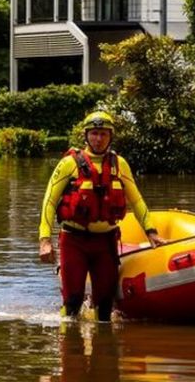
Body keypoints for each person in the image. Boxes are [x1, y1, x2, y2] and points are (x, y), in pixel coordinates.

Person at [38, 111, 165, 321]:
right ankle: (68, 346)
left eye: (104, 134)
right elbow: (49, 202)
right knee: (72, 303)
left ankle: (104, 349)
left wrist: (151, 231)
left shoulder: (119, 164)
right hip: (74, 242)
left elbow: (137, 200)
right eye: (95, 133)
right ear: (87, 136)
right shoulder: (69, 164)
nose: (99, 139)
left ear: (111, 136)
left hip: (105, 243)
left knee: (105, 306)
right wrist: (44, 240)